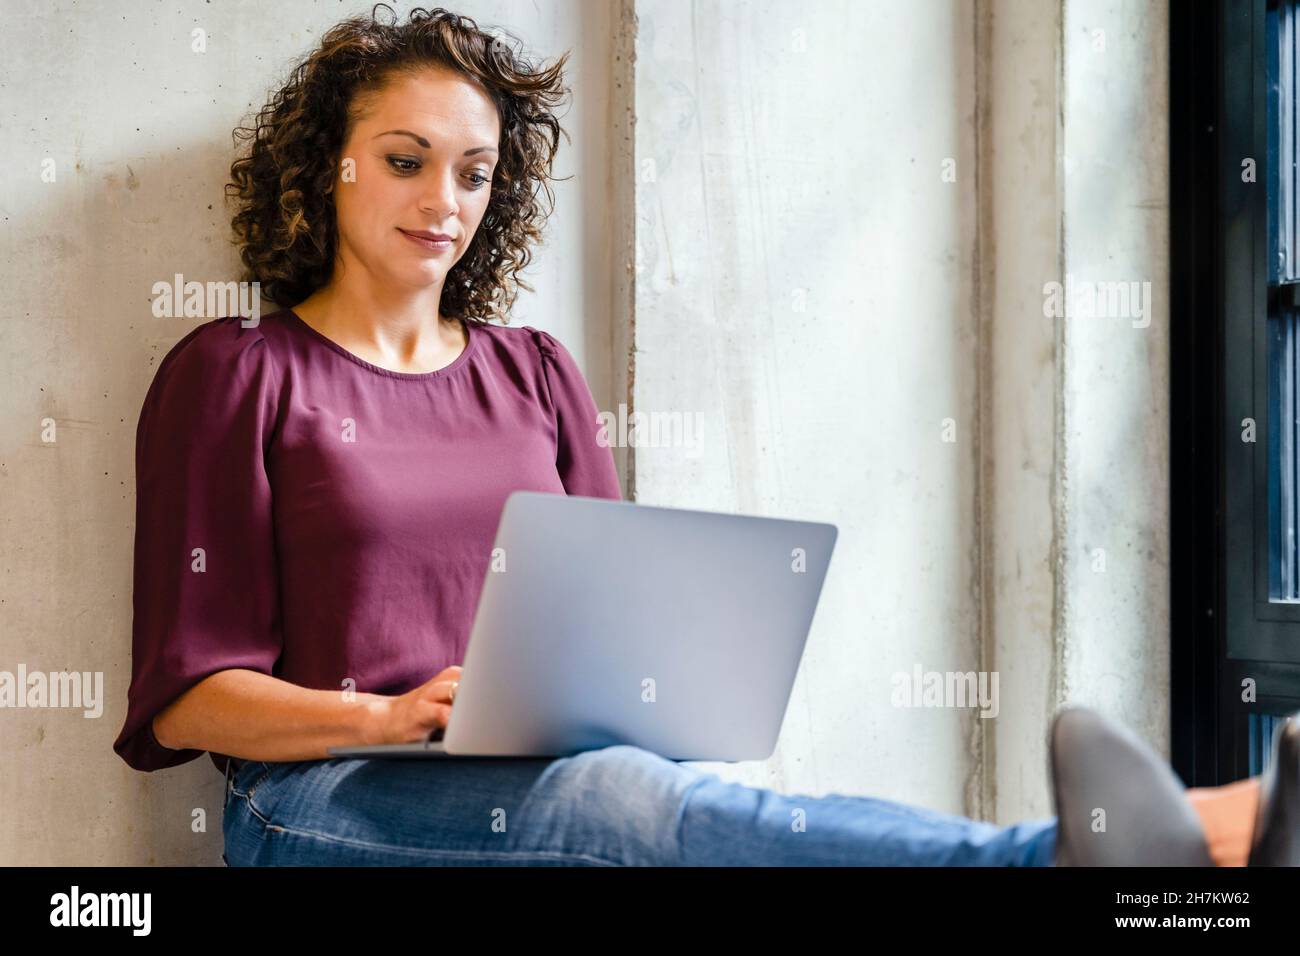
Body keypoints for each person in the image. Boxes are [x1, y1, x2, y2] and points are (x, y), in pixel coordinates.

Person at [112, 5, 1283, 867]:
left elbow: (616, 626)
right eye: (407, 162)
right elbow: (189, 697)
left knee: (671, 803)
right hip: (323, 796)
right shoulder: (236, 375)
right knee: (628, 811)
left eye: (474, 172)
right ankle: (1088, 853)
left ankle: (1182, 843)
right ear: (329, 166)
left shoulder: (534, 372)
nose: (445, 202)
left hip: (544, 768)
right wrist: (390, 711)